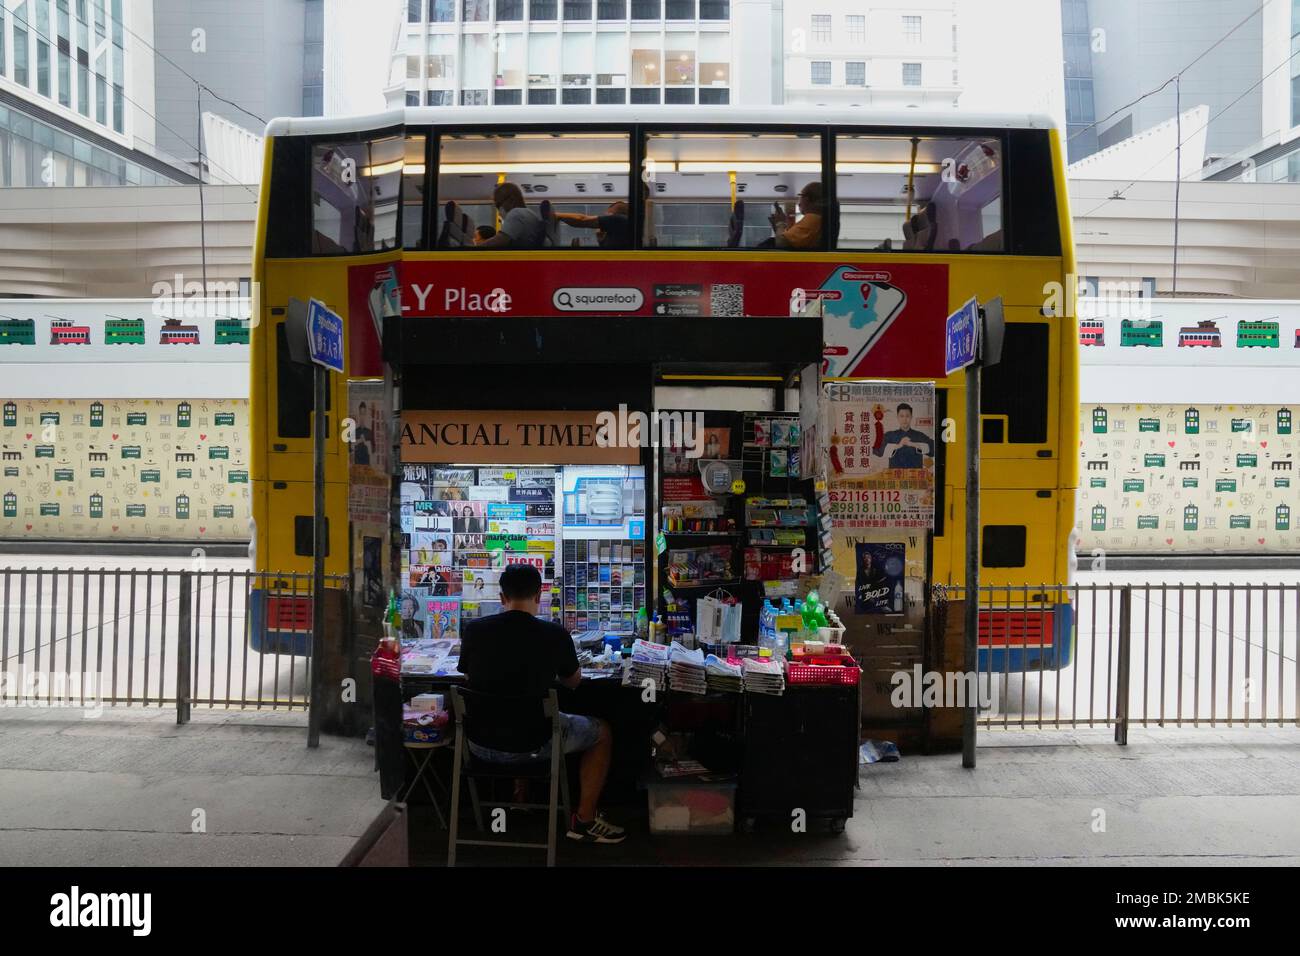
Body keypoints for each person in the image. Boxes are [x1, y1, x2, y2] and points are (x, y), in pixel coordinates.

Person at [458, 564, 626, 844]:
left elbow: (468, 675)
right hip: (534, 744)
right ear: (539, 595)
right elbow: (573, 682)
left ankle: (521, 798)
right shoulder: (554, 634)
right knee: (602, 732)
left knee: (515, 712)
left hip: (479, 744)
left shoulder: (474, 630)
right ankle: (584, 820)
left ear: (501, 598)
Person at [472, 183, 546, 250]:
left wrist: (475, 249)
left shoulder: (516, 213)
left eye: (498, 205)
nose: (499, 210)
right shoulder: (530, 213)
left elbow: (501, 240)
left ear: (509, 201)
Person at [874, 402, 935, 470]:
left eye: (907, 416)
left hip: (916, 476)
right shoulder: (890, 435)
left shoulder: (919, 435)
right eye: (902, 416)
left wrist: (914, 444)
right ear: (897, 417)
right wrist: (897, 446)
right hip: (894, 476)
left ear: (911, 417)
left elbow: (934, 449)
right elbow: (877, 451)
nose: (905, 419)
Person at [764, 182, 824, 250]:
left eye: (800, 196)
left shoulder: (812, 218)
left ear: (806, 199)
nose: (799, 203)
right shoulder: (820, 220)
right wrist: (777, 227)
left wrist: (780, 223)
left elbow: (782, 243)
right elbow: (792, 243)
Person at [554, 201, 631, 249]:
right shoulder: (618, 233)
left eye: (608, 215)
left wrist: (556, 215)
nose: (606, 217)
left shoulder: (620, 219)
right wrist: (601, 241)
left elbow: (582, 220)